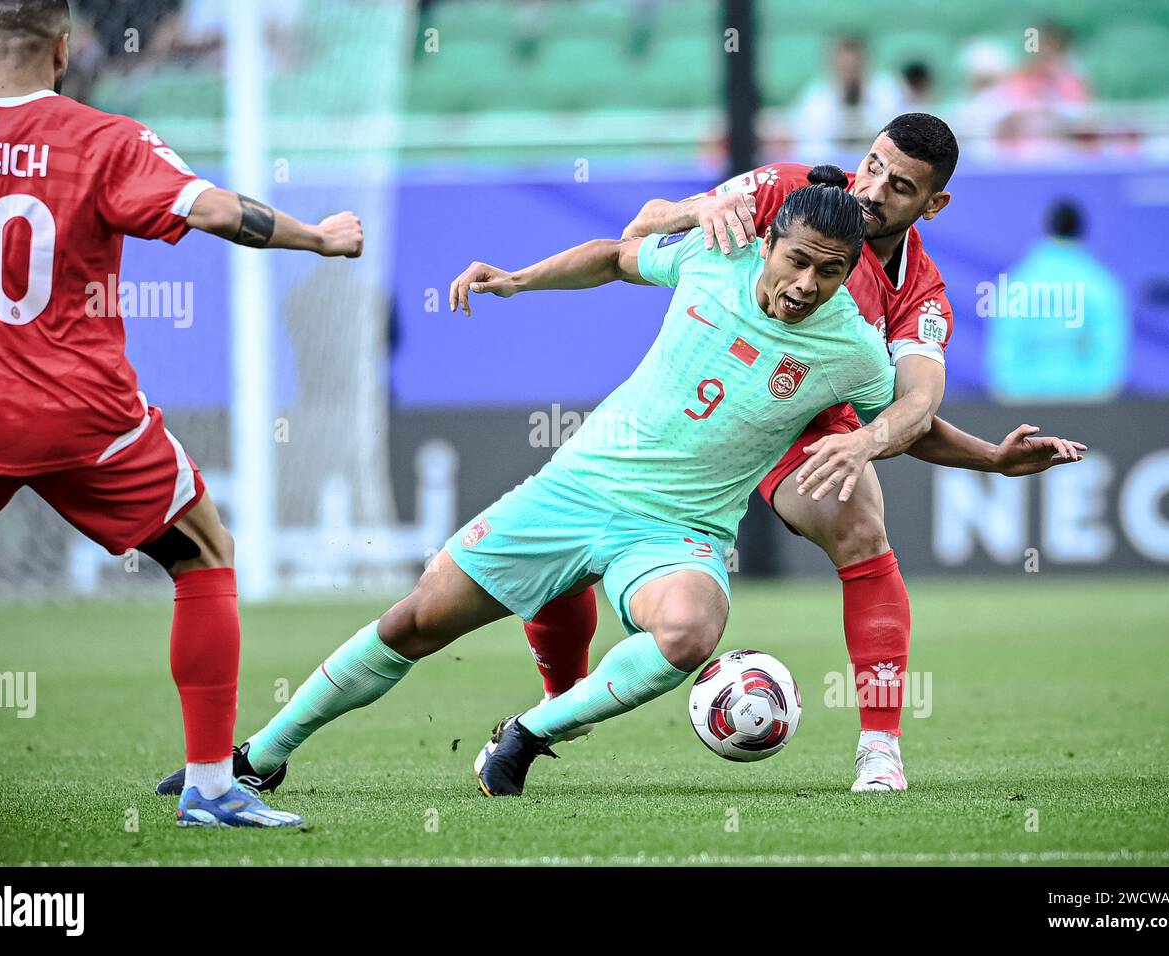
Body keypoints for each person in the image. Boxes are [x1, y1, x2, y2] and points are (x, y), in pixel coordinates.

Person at [159, 168, 910, 798]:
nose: (807, 283)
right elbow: (617, 255)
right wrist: (519, 280)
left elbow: (911, 417)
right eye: (797, 261)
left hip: (678, 533)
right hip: (576, 488)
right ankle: (258, 757)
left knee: (689, 630)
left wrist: (988, 456)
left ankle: (526, 735)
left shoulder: (851, 345)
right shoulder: (714, 257)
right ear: (769, 243)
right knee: (416, 621)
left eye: (830, 270)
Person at [481, 113, 1087, 793]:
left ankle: (880, 750)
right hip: (711, 397)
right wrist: (699, 206)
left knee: (861, 527)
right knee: (576, 545)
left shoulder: (921, 295)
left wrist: (899, 446)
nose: (876, 187)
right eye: (875, 164)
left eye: (902, 185)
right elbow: (641, 229)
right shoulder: (788, 190)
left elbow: (916, 405)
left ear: (932, 205)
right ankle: (561, 703)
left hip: (812, 424)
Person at [0, 0, 363, 827]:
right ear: (64, 50)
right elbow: (212, 211)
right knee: (204, 553)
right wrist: (318, 238)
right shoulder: (101, 139)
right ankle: (208, 788)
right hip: (80, 418)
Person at [986, 199, 1129, 403]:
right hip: (1089, 412)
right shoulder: (1102, 284)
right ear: (1082, 230)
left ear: (1046, 228)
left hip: (1024, 412)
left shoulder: (1016, 283)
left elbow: (1003, 358)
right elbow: (1109, 358)